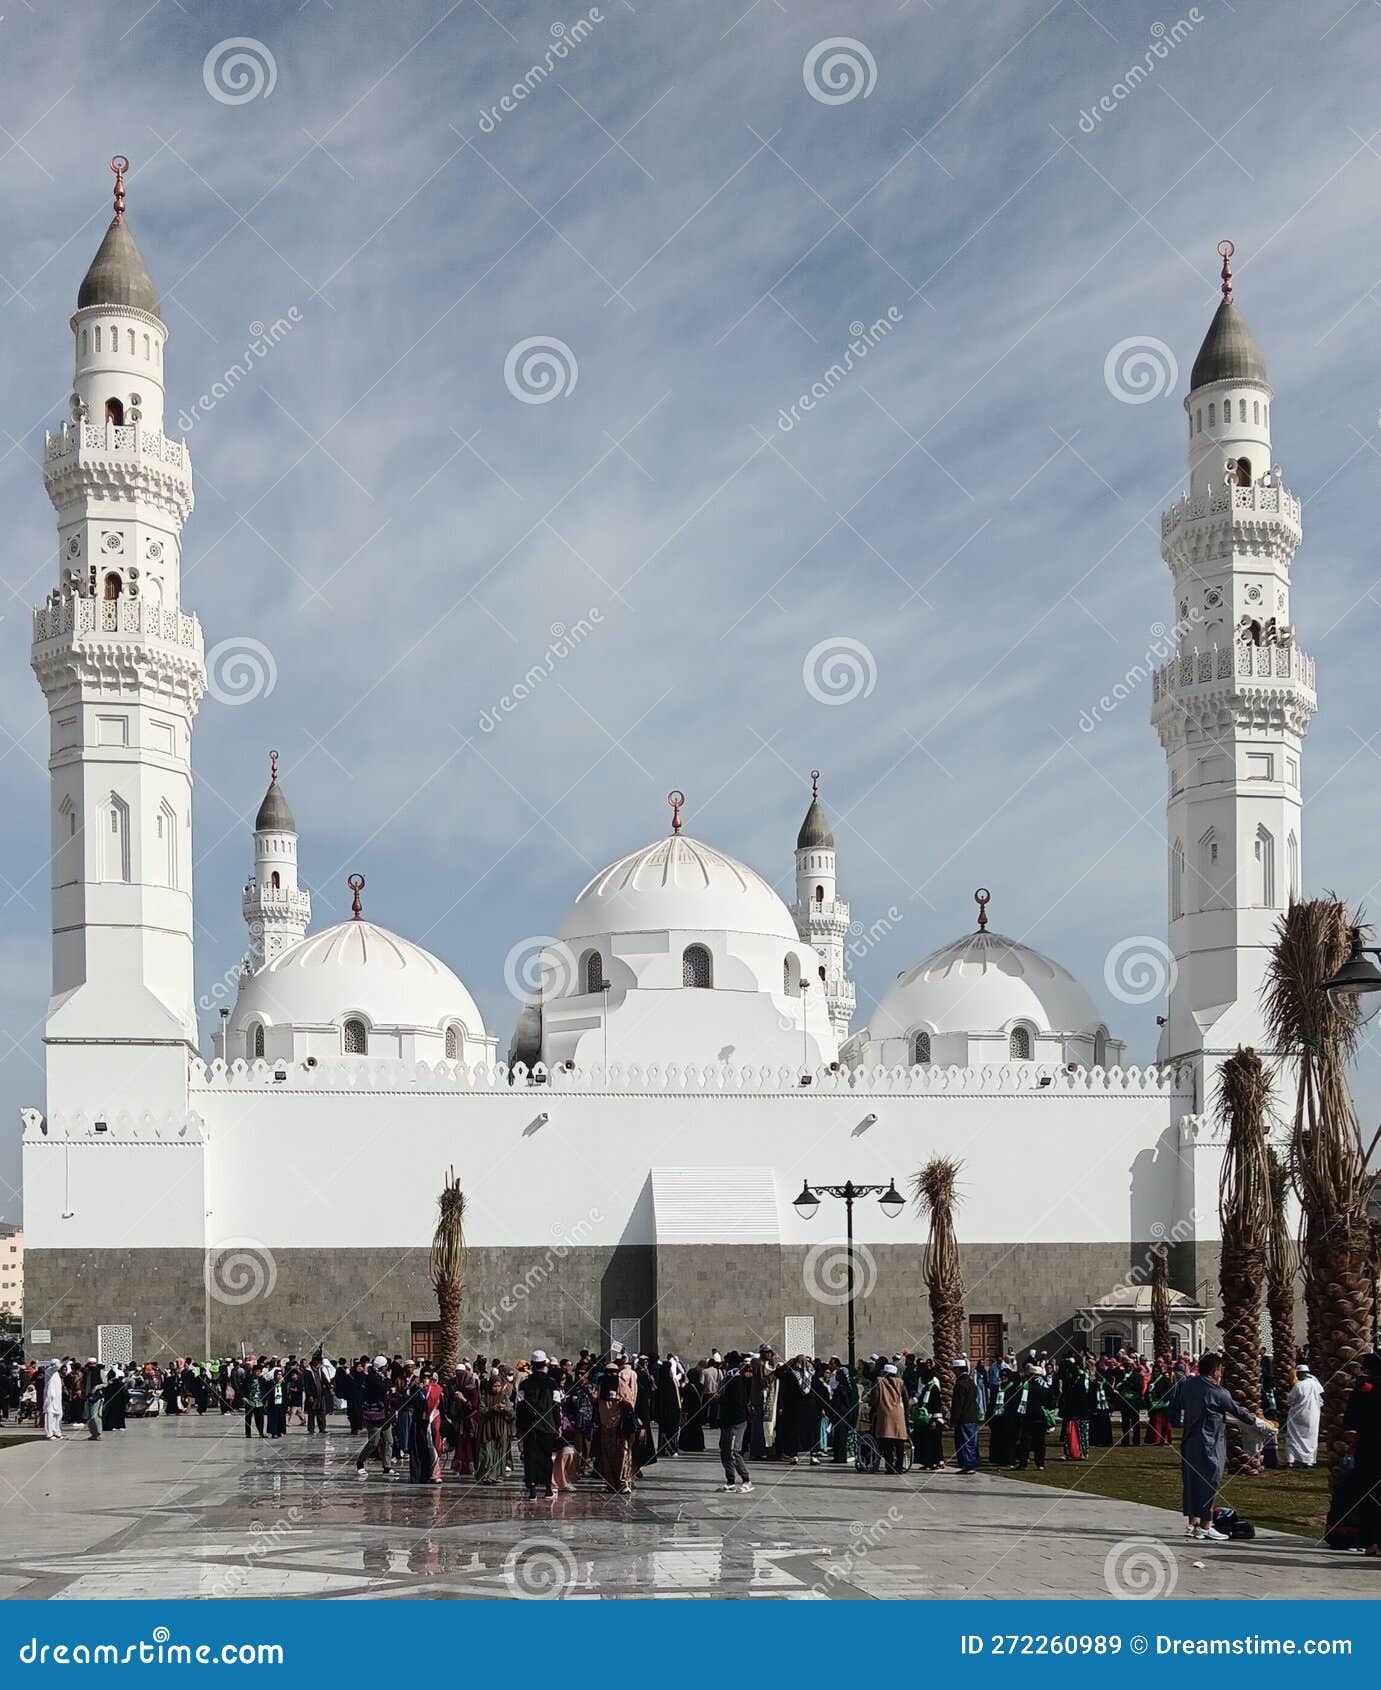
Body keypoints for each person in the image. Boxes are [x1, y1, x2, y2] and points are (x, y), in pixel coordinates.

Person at [1180, 1352, 1272, 1540]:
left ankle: (1192, 1524)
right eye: (1221, 1370)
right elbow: (1237, 1411)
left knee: (1191, 1481)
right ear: (1215, 1370)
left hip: (1189, 1441)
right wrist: (1258, 1422)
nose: (1221, 1373)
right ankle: (1205, 1526)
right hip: (1210, 1443)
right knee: (1210, 1482)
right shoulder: (1218, 1392)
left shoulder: (1189, 1385)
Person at [1338, 1352, 1381, 1554]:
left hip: (1368, 1448)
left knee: (1367, 1495)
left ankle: (1369, 1542)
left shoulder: (1364, 1390)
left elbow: (1350, 1421)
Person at [516, 1350, 562, 1499]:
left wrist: (520, 1426)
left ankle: (532, 1489)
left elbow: (520, 1406)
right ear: (544, 1365)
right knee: (546, 1456)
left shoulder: (524, 1384)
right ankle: (548, 1488)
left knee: (530, 1456)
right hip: (547, 1425)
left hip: (529, 1426)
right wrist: (558, 1424)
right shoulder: (552, 1383)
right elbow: (556, 1405)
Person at [598, 1361, 637, 1495]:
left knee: (622, 1455)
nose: (611, 1376)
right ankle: (610, 1483)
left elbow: (631, 1403)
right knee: (607, 1457)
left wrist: (620, 1399)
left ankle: (622, 1482)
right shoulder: (601, 1384)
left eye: (613, 1373)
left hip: (619, 1426)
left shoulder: (621, 1384)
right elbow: (596, 1400)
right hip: (605, 1425)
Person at [717, 1354, 754, 1493]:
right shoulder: (729, 1377)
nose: (724, 1364)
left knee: (734, 1451)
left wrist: (720, 1399)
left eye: (726, 1362)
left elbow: (738, 1400)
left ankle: (746, 1480)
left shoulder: (737, 1378)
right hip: (726, 1420)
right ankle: (730, 1481)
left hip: (736, 1420)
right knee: (725, 1451)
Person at [355, 1357, 394, 1477]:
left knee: (388, 1441)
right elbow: (383, 1388)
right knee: (374, 1442)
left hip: (385, 1413)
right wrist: (388, 1379)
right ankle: (360, 1462)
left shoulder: (378, 1375)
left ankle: (387, 1466)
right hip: (374, 1414)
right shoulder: (372, 1377)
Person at [476, 1368, 513, 1485]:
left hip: (501, 1428)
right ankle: (486, 1475)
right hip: (487, 1428)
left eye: (498, 1386)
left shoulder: (504, 1397)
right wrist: (492, 1409)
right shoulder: (484, 1397)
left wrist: (505, 1409)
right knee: (487, 1453)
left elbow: (512, 1412)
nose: (496, 1388)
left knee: (500, 1452)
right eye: (494, 1386)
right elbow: (481, 1410)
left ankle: (498, 1475)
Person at [871, 1362, 909, 1473]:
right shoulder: (901, 1382)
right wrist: (906, 1413)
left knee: (887, 1441)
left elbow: (875, 1398)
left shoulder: (879, 1381)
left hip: (885, 1414)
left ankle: (890, 1467)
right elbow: (906, 1398)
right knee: (899, 1442)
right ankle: (899, 1467)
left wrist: (873, 1408)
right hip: (899, 1414)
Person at [1284, 1363, 1324, 1468]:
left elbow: (1290, 1399)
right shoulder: (1316, 1384)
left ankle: (1290, 1460)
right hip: (1313, 1415)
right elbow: (1321, 1400)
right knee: (1311, 1438)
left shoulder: (1299, 1385)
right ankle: (1309, 1461)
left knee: (1292, 1437)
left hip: (1297, 1415)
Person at [950, 1357, 980, 1473]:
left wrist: (954, 1419)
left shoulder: (961, 1384)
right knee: (972, 1442)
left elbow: (958, 1404)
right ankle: (971, 1463)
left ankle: (968, 1465)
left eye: (954, 1369)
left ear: (958, 1369)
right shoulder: (971, 1383)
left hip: (964, 1418)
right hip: (972, 1416)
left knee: (964, 1442)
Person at [42, 1363, 64, 1440]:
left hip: (57, 1399)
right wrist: (62, 1362)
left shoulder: (57, 1374)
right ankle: (49, 1434)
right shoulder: (49, 1371)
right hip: (50, 1399)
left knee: (58, 1415)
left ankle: (57, 1432)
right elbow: (56, 1366)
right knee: (50, 1416)